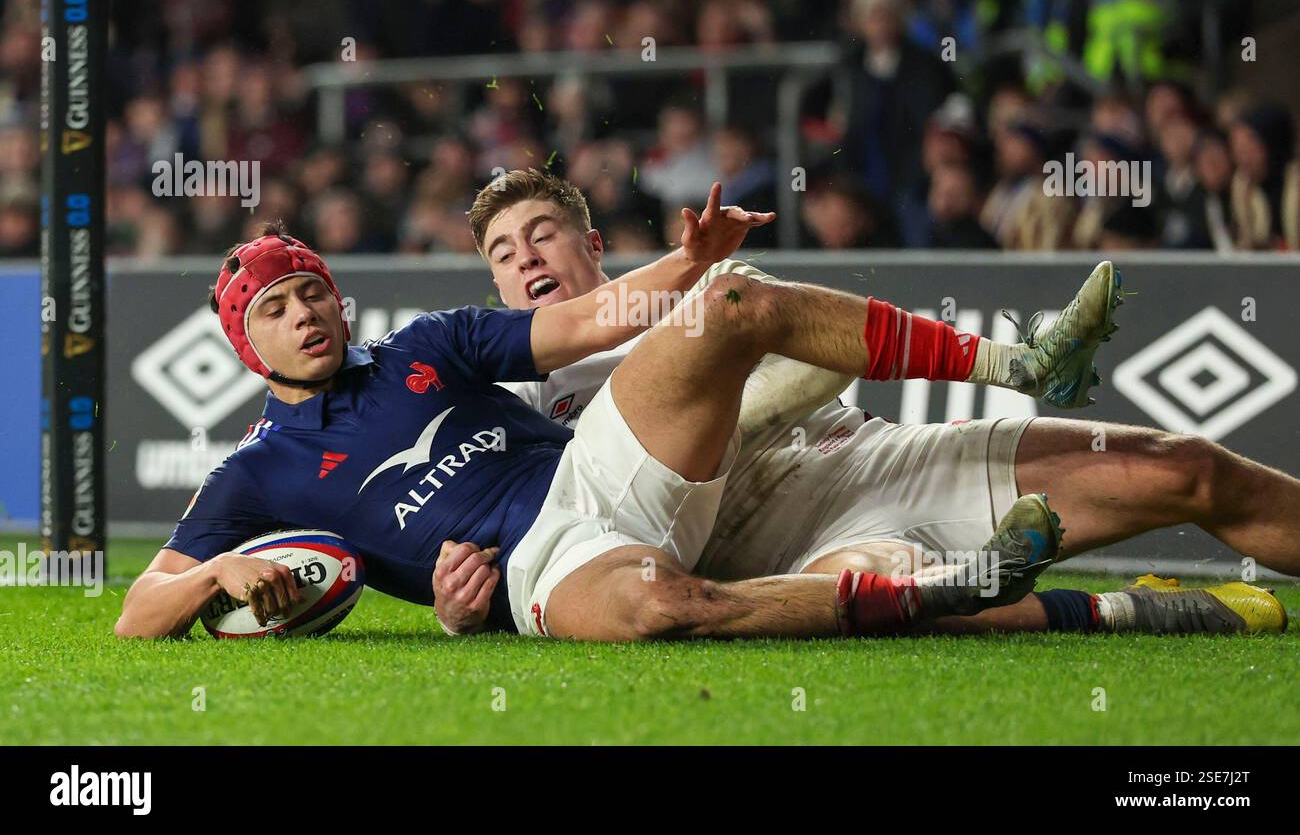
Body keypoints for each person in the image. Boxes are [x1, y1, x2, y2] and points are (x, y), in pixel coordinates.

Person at [116, 172, 1151, 642]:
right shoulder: (250, 474)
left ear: (338, 296)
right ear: (242, 345)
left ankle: (1017, 362)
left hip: (616, 474)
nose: (304, 314)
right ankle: (974, 591)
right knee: (661, 606)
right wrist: (215, 569)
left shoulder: (433, 341)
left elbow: (595, 321)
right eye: (275, 308)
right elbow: (137, 613)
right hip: (548, 566)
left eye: (312, 291)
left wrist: (689, 265)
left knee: (735, 300)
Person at [431, 170, 1293, 638]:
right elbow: (508, 547)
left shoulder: (692, 309)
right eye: (504, 252)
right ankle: (1127, 610)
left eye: (541, 233)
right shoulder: (499, 397)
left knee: (1190, 470)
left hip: (862, 455)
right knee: (897, 591)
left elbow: (813, 362)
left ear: (591, 243)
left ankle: (1026, 364)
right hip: (759, 545)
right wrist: (456, 606)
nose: (525, 258)